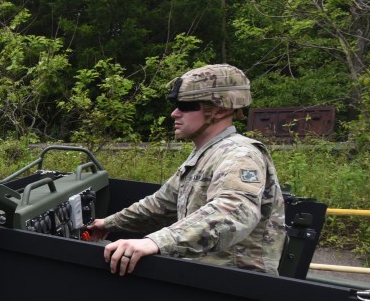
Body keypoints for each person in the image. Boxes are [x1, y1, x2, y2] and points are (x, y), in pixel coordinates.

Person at [84, 63, 286, 276]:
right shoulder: (205, 154)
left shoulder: (240, 154)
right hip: (204, 276)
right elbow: (160, 205)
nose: (174, 114)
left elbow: (235, 210)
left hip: (235, 285)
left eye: (186, 106)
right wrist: (109, 223)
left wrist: (156, 241)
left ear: (222, 110)